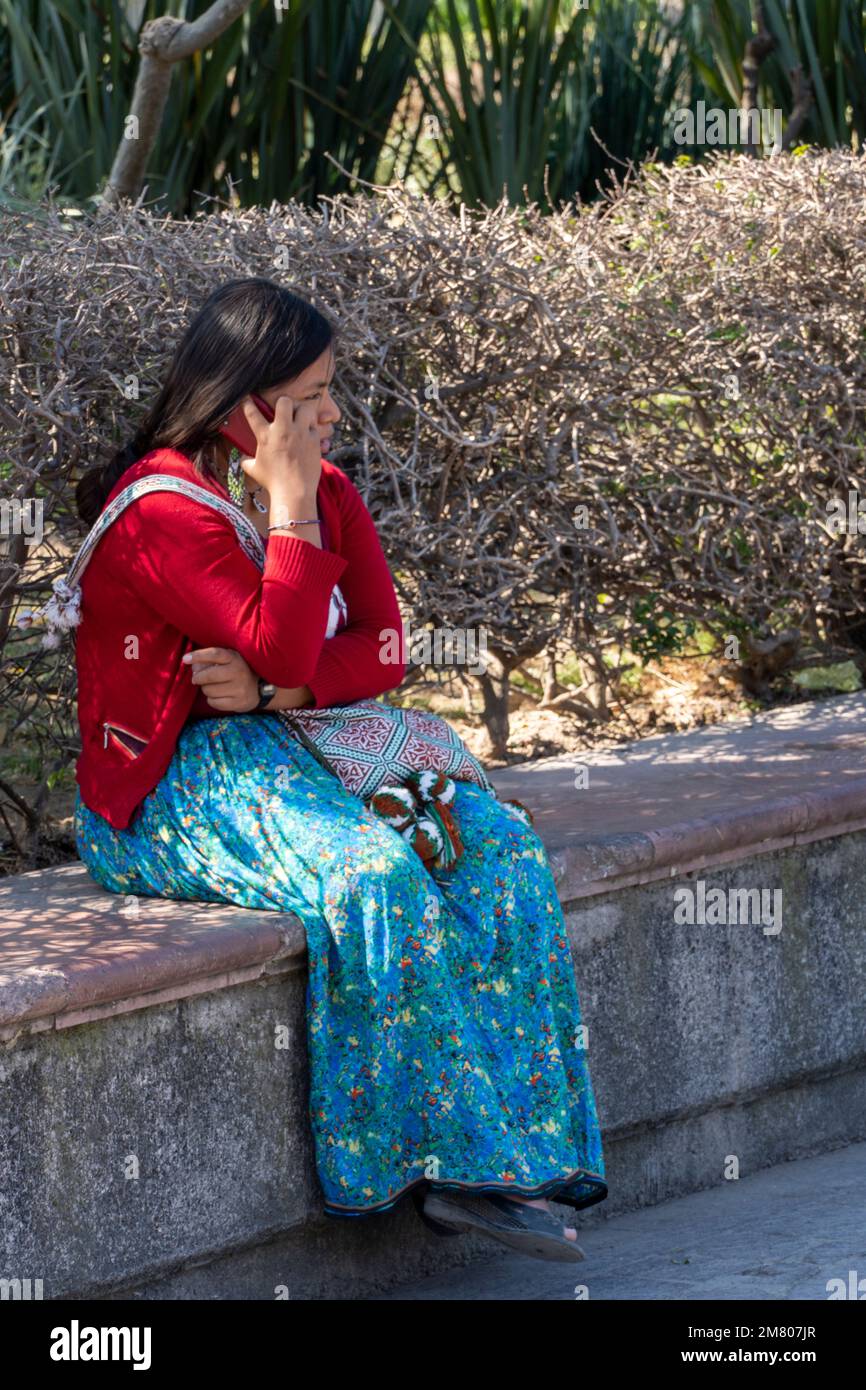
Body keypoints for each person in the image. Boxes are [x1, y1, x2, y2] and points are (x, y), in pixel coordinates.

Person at [73, 276, 607, 1262]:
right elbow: (286, 640)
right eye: (314, 393)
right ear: (251, 405)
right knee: (375, 878)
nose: (331, 412)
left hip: (307, 740)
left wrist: (278, 692)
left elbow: (387, 646)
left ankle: (523, 1159)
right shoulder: (162, 511)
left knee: (497, 851)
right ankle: (427, 1164)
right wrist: (286, 511)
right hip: (176, 785)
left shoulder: (327, 484)